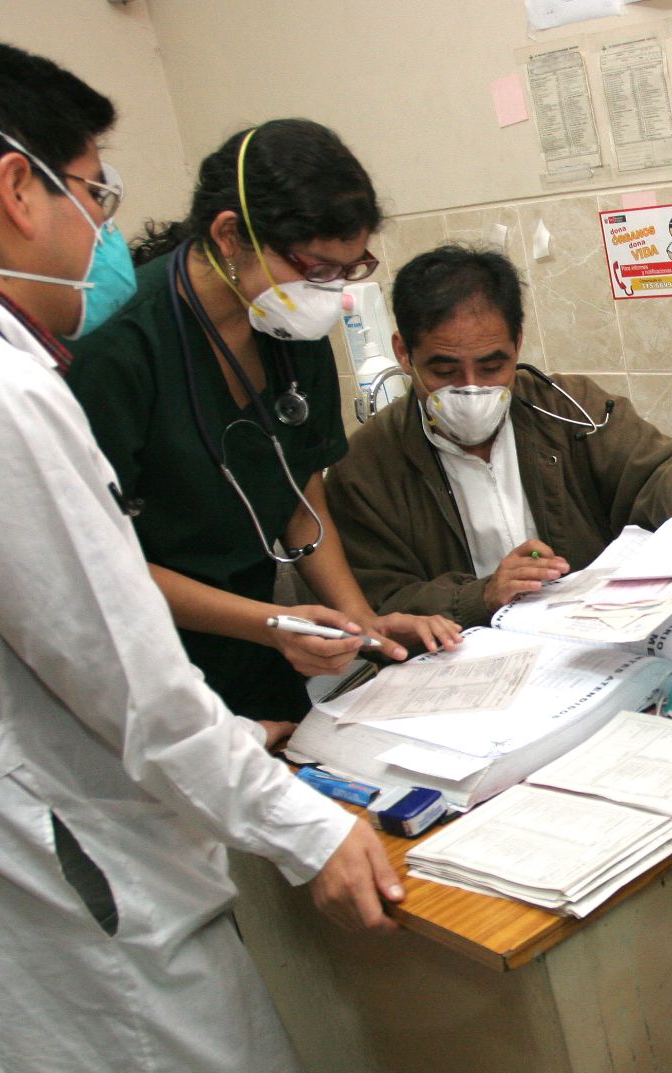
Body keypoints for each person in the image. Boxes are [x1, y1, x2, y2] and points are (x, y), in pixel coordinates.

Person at [0, 37, 402, 1073]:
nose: (103, 226)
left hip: (28, 828)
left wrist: (299, 678)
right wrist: (305, 827)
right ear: (17, 190)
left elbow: (34, 640)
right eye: (91, 188)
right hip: (70, 862)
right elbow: (133, 679)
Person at [67, 119, 458, 723]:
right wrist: (272, 623)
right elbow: (95, 556)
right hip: (143, 666)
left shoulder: (287, 325)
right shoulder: (118, 345)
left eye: (348, 269)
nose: (331, 292)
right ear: (230, 235)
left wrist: (362, 623)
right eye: (317, 268)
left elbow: (301, 495)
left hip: (257, 649)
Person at [324, 244, 672, 626]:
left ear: (518, 344)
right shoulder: (366, 464)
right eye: (445, 371)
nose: (471, 388)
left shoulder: (569, 408)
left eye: (492, 367)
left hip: (588, 638)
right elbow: (375, 605)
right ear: (403, 353)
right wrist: (480, 597)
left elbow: (653, 468)